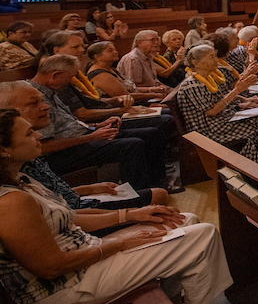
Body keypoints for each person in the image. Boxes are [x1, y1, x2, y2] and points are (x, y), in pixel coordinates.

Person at [0, 108, 239, 304]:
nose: (39, 136)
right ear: (4, 150)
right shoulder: (11, 202)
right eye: (30, 133)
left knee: (183, 220)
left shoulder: (23, 180)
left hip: (84, 260)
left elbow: (70, 217)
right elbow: (52, 268)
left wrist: (132, 215)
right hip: (64, 290)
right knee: (203, 236)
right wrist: (120, 244)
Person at [0, 81, 169, 209]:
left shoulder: (29, 158)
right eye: (33, 103)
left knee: (157, 192)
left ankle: (151, 184)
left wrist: (88, 189)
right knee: (156, 193)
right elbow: (62, 215)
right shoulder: (19, 165)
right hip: (76, 214)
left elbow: (53, 194)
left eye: (42, 101)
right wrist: (123, 216)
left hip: (74, 203)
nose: (45, 107)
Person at [30, 55, 157, 189]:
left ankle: (155, 183)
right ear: (55, 75)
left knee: (150, 134)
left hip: (83, 137)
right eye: (69, 77)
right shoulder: (35, 98)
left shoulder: (50, 90)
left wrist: (97, 126)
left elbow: (69, 123)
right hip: (61, 153)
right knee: (131, 145)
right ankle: (139, 194)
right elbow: (43, 146)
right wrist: (90, 137)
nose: (69, 81)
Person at [175, 44, 258, 172]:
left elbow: (221, 100)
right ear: (196, 63)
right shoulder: (192, 84)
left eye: (215, 56)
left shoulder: (209, 77)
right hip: (211, 128)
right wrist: (237, 90)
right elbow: (212, 111)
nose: (216, 60)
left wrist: (242, 104)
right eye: (211, 57)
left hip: (222, 119)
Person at [87, 41, 167, 102]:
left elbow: (131, 88)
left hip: (133, 104)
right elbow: (126, 95)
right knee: (168, 115)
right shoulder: (100, 74)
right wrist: (154, 94)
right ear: (97, 56)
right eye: (110, 50)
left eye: (115, 49)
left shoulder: (110, 69)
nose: (115, 52)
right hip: (119, 112)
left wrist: (153, 89)